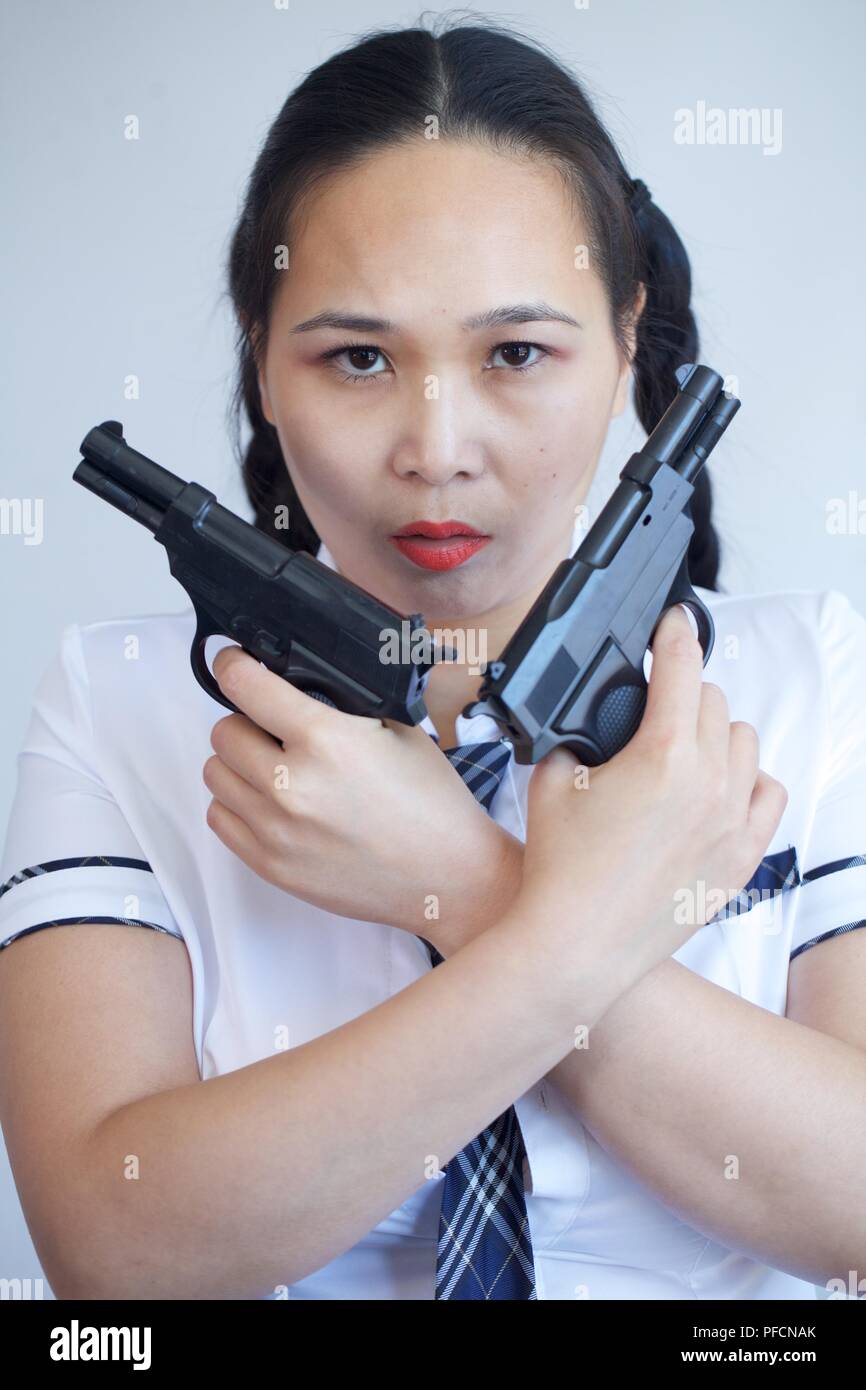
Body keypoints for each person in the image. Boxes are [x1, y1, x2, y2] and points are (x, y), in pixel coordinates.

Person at [1, 16, 864, 1301]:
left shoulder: (811, 677)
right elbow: (116, 1260)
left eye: (515, 353)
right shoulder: (120, 704)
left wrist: (453, 882)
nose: (435, 447)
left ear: (629, 340)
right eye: (358, 357)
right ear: (263, 364)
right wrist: (557, 925)